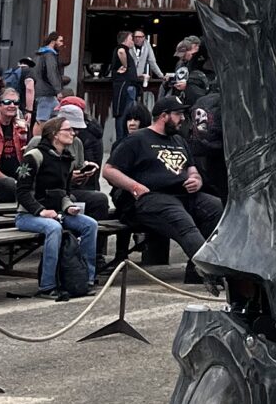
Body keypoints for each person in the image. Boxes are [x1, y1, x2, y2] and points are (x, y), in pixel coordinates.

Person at [101, 97, 222, 279]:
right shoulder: (136, 140)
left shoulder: (179, 141)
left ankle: (196, 270)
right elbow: (109, 171)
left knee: (216, 207)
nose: (182, 118)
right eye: (178, 114)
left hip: (183, 195)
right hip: (152, 198)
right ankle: (212, 272)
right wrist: (134, 186)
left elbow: (192, 170)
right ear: (164, 116)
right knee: (183, 222)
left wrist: (196, 180)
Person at [14, 116, 103, 298]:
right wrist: (41, 211)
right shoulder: (34, 157)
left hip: (57, 213)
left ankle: (85, 279)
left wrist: (69, 206)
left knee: (90, 224)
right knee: (53, 228)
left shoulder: (67, 160)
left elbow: (64, 191)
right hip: (28, 215)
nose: (73, 133)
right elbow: (22, 192)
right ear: (55, 134)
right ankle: (47, 285)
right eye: (68, 130)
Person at [32, 31, 67, 121]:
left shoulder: (39, 54)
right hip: (47, 92)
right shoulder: (50, 55)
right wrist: (58, 90)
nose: (62, 44)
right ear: (53, 42)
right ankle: (39, 135)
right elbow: (52, 74)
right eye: (60, 41)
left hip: (41, 91)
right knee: (42, 120)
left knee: (56, 118)